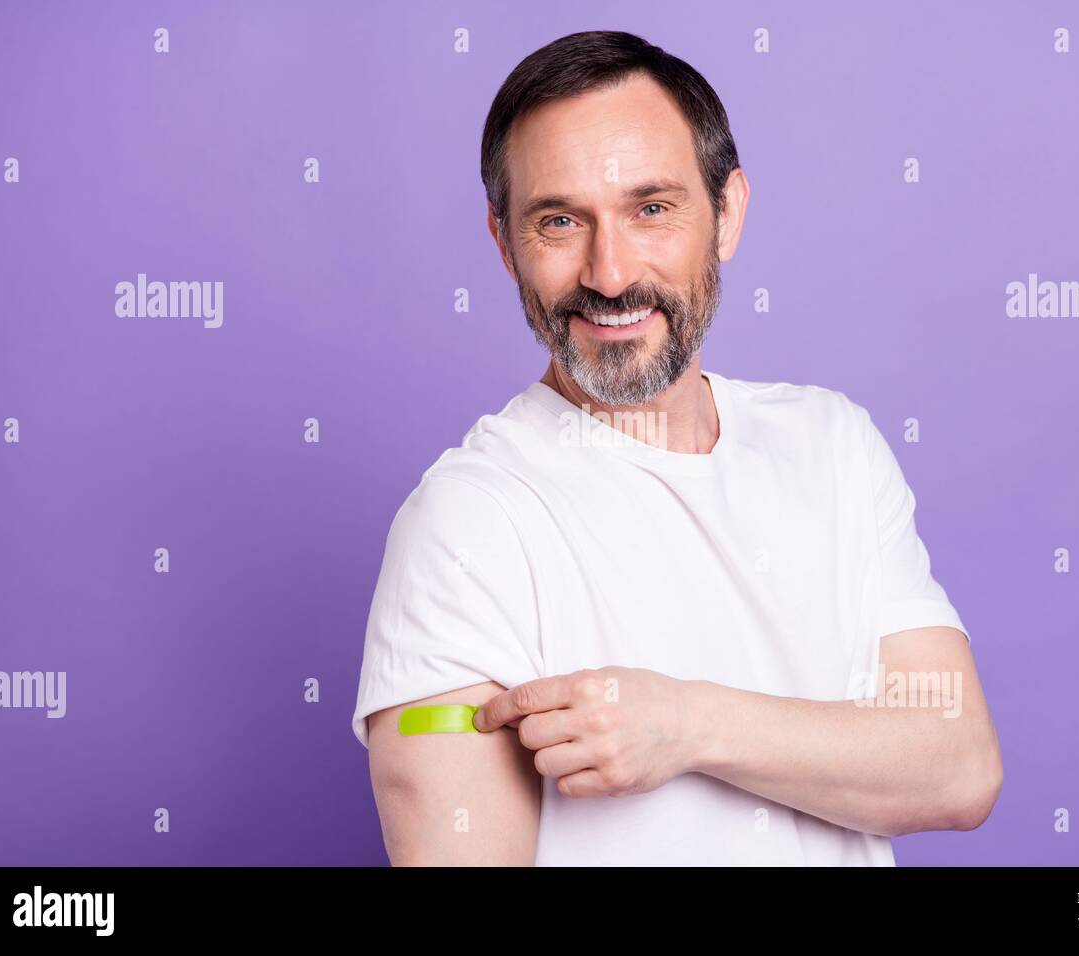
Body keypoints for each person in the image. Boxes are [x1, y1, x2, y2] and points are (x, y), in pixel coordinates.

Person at [352, 30, 1002, 866]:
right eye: (558, 221)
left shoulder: (834, 444)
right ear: (505, 243)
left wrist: (687, 723)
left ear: (726, 214)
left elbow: (959, 768)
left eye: (651, 209)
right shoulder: (467, 527)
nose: (612, 273)